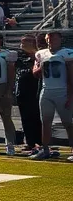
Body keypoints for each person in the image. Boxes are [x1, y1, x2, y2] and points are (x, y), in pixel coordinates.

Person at [30, 31, 73, 161]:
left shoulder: (67, 53)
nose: (50, 41)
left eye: (53, 38)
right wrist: (40, 66)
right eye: (48, 39)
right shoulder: (41, 54)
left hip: (62, 91)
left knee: (68, 123)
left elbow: (71, 76)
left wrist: (70, 95)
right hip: (46, 90)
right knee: (45, 122)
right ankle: (46, 149)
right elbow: (35, 73)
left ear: (60, 39)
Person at [15, 35, 42, 154]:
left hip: (34, 91)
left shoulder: (39, 56)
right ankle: (30, 142)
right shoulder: (19, 57)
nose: (23, 45)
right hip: (22, 91)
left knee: (36, 117)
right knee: (25, 118)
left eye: (26, 42)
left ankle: (40, 142)